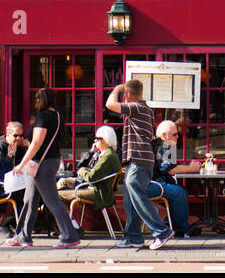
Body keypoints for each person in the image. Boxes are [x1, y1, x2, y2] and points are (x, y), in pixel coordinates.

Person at [9, 88, 82, 250]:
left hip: (42, 163)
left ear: (40, 100)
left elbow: (37, 143)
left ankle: (70, 236)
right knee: (30, 199)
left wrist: (21, 165)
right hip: (51, 159)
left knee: (52, 200)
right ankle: (23, 235)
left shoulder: (43, 117)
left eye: (36, 100)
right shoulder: (58, 116)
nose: (35, 103)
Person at [106, 79, 173, 251]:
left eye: (125, 94)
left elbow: (110, 104)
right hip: (137, 160)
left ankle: (161, 231)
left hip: (139, 159)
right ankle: (134, 236)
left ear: (127, 95)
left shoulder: (136, 107)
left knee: (135, 191)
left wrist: (116, 89)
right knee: (130, 198)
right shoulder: (146, 109)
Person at [150, 120, 199, 237]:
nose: (178, 137)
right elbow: (171, 169)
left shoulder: (159, 144)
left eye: (178, 134)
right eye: (174, 134)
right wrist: (192, 168)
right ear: (163, 136)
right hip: (151, 185)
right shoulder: (165, 145)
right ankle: (181, 228)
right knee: (179, 192)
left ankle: (172, 224)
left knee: (180, 191)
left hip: (147, 184)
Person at [57, 126, 120, 208]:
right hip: (93, 187)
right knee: (62, 184)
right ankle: (67, 218)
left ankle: (67, 220)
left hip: (97, 192)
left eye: (97, 138)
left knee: (56, 195)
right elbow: (89, 171)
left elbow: (92, 177)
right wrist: (89, 156)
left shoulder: (107, 156)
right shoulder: (105, 154)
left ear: (105, 140)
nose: (94, 140)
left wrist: (83, 171)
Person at [0, 121, 28, 234]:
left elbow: (22, 166)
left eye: (21, 135)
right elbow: (0, 171)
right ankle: (5, 224)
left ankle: (12, 222)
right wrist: (9, 156)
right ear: (8, 135)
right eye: (15, 135)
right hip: (0, 183)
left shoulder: (20, 147)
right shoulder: (1, 147)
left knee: (35, 195)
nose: (19, 138)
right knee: (24, 197)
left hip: (17, 182)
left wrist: (29, 147)